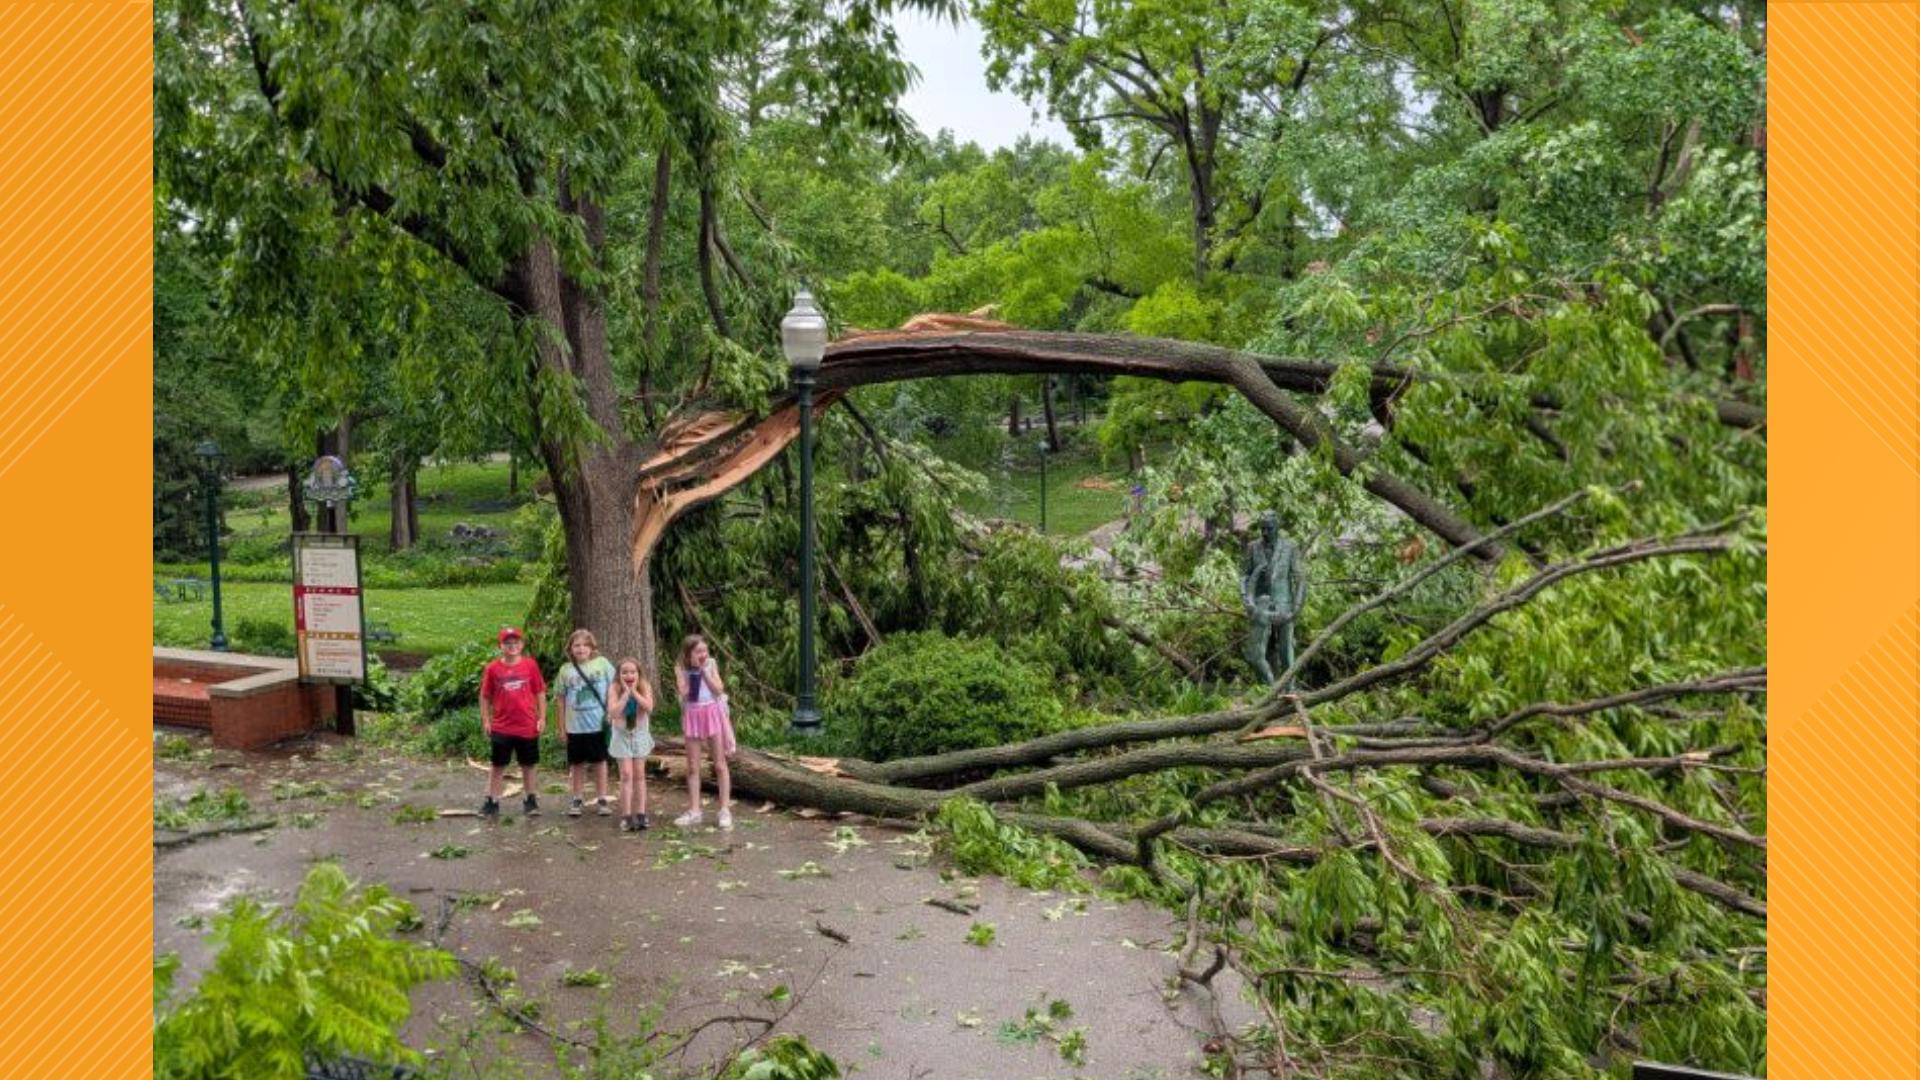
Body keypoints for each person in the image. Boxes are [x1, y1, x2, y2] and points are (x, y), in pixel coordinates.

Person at [479, 627, 546, 818]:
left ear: (522, 645)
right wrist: (486, 720)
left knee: (528, 764)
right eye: (507, 643)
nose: (512, 646)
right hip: (502, 726)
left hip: (527, 724)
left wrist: (542, 717)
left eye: (516, 643)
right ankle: (491, 800)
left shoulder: (530, 665)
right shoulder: (492, 668)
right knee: (498, 764)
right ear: (500, 646)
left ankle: (530, 799)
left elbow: (539, 691)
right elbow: (484, 696)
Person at [673, 634, 735, 830]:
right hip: (693, 714)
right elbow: (685, 694)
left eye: (704, 651)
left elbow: (718, 690)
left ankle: (724, 809)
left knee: (719, 764)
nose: (702, 654)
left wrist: (704, 672)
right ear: (688, 653)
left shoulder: (711, 664)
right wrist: (692, 673)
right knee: (693, 766)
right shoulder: (680, 667)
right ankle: (694, 810)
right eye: (698, 651)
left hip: (711, 712)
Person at [554, 629, 616, 817]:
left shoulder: (602, 664)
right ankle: (577, 797)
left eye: (585, 645)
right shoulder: (565, 670)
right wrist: (561, 727)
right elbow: (560, 699)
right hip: (575, 726)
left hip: (597, 724)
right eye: (577, 645)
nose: (581, 649)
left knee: (600, 762)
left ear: (592, 648)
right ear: (570, 649)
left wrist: (612, 712)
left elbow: (614, 687)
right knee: (576, 763)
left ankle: (602, 797)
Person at [606, 657, 655, 832]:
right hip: (621, 735)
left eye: (632, 672)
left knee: (640, 775)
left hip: (640, 734)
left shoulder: (644, 686)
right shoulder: (614, 688)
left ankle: (641, 813)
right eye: (624, 672)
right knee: (626, 775)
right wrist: (625, 696)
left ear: (638, 674)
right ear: (619, 675)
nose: (629, 675)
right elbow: (612, 712)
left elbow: (649, 707)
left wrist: (635, 693)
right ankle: (626, 816)